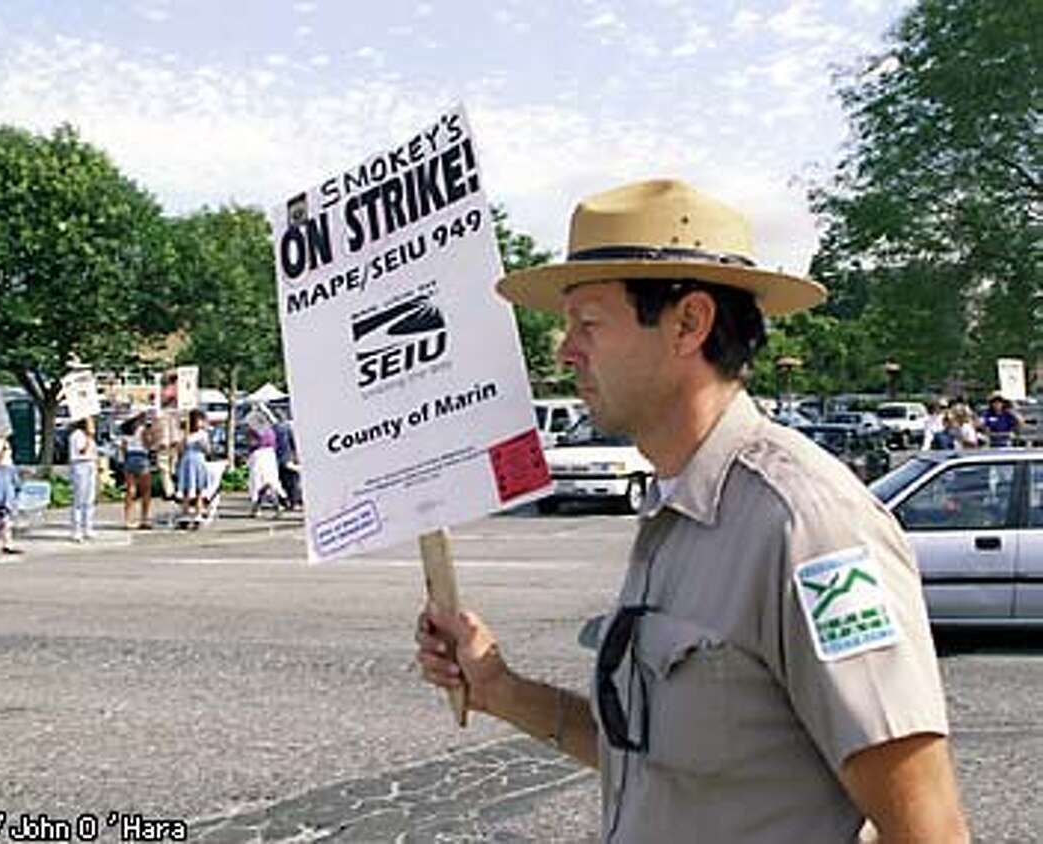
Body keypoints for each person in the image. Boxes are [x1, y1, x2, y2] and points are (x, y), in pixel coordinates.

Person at [415, 179, 968, 843]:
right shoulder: (677, 506)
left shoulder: (807, 522)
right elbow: (655, 762)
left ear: (688, 324)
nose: (564, 351)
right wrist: (500, 688)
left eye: (588, 323)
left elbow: (927, 828)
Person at [120, 412, 154, 529]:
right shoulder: (143, 430)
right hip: (141, 458)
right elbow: (147, 444)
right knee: (146, 491)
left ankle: (128, 519)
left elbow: (123, 449)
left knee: (130, 490)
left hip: (130, 458)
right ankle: (144, 519)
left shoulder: (126, 432)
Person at [176, 409, 211, 521]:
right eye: (199, 420)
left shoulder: (203, 434)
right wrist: (183, 442)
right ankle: (185, 512)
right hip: (187, 461)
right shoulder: (185, 433)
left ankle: (198, 512)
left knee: (199, 488)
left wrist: (203, 445)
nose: (201, 422)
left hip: (199, 460)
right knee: (186, 488)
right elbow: (180, 450)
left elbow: (208, 450)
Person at [246, 418, 287, 516]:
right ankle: (277, 505)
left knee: (257, 483)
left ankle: (257, 508)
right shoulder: (270, 431)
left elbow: (252, 443)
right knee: (270, 481)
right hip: (270, 456)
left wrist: (250, 443)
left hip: (258, 455)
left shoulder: (254, 430)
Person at [67, 416, 98, 543]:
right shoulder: (77, 435)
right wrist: (89, 437)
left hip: (90, 464)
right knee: (79, 498)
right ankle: (77, 529)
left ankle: (88, 527)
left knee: (89, 498)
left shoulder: (87, 436)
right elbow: (82, 451)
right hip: (80, 464)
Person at [273, 418, 301, 509]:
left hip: (278, 457)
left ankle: (284, 502)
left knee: (282, 480)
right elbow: (294, 443)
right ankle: (294, 502)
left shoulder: (276, 427)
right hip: (289, 456)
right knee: (293, 481)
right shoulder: (292, 427)